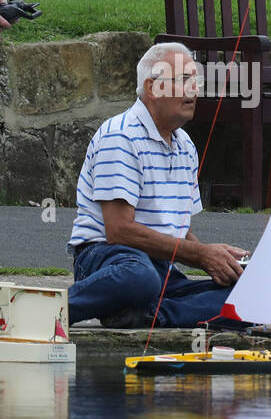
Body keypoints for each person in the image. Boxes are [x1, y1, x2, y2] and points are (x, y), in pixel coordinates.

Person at [67, 42, 249, 327]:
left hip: (159, 268)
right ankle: (51, 310)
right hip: (105, 259)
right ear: (152, 88)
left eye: (196, 81)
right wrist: (200, 256)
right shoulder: (121, 136)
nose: (194, 90)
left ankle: (145, 315)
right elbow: (119, 231)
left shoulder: (185, 145)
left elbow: (179, 229)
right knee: (139, 278)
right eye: (184, 80)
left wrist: (219, 259)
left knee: (252, 297)